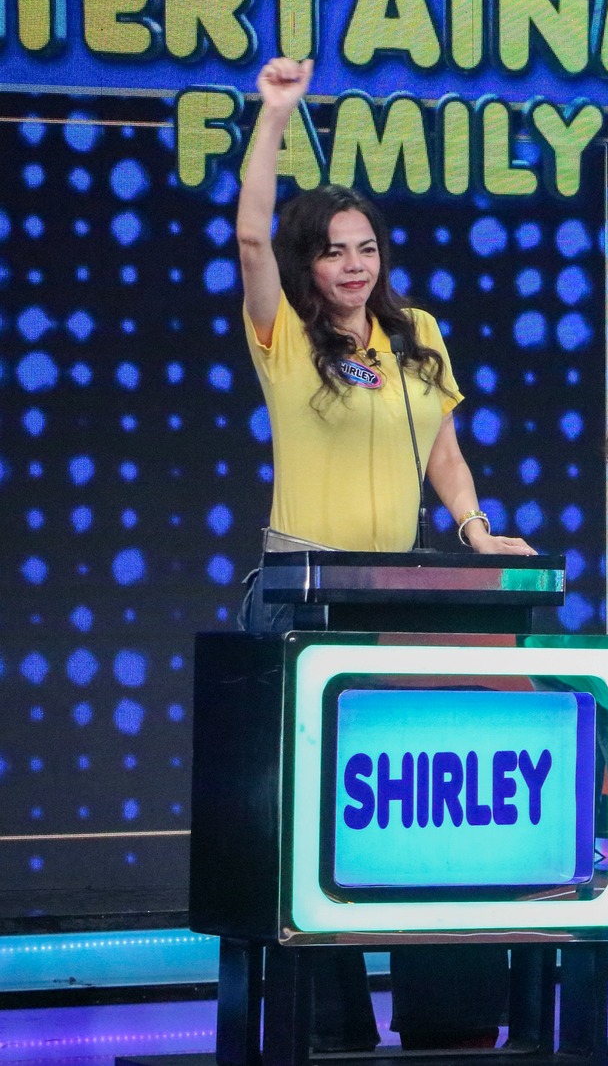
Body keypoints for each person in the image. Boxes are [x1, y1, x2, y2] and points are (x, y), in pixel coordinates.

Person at [236, 57, 536, 1051]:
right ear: (306, 263)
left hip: (402, 592)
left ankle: (440, 1013)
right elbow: (246, 234)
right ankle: (326, 1023)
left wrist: (474, 527)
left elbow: (443, 447)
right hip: (301, 590)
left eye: (364, 247)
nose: (353, 264)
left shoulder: (418, 334)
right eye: (331, 251)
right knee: (304, 818)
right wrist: (274, 115)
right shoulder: (282, 336)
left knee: (398, 810)